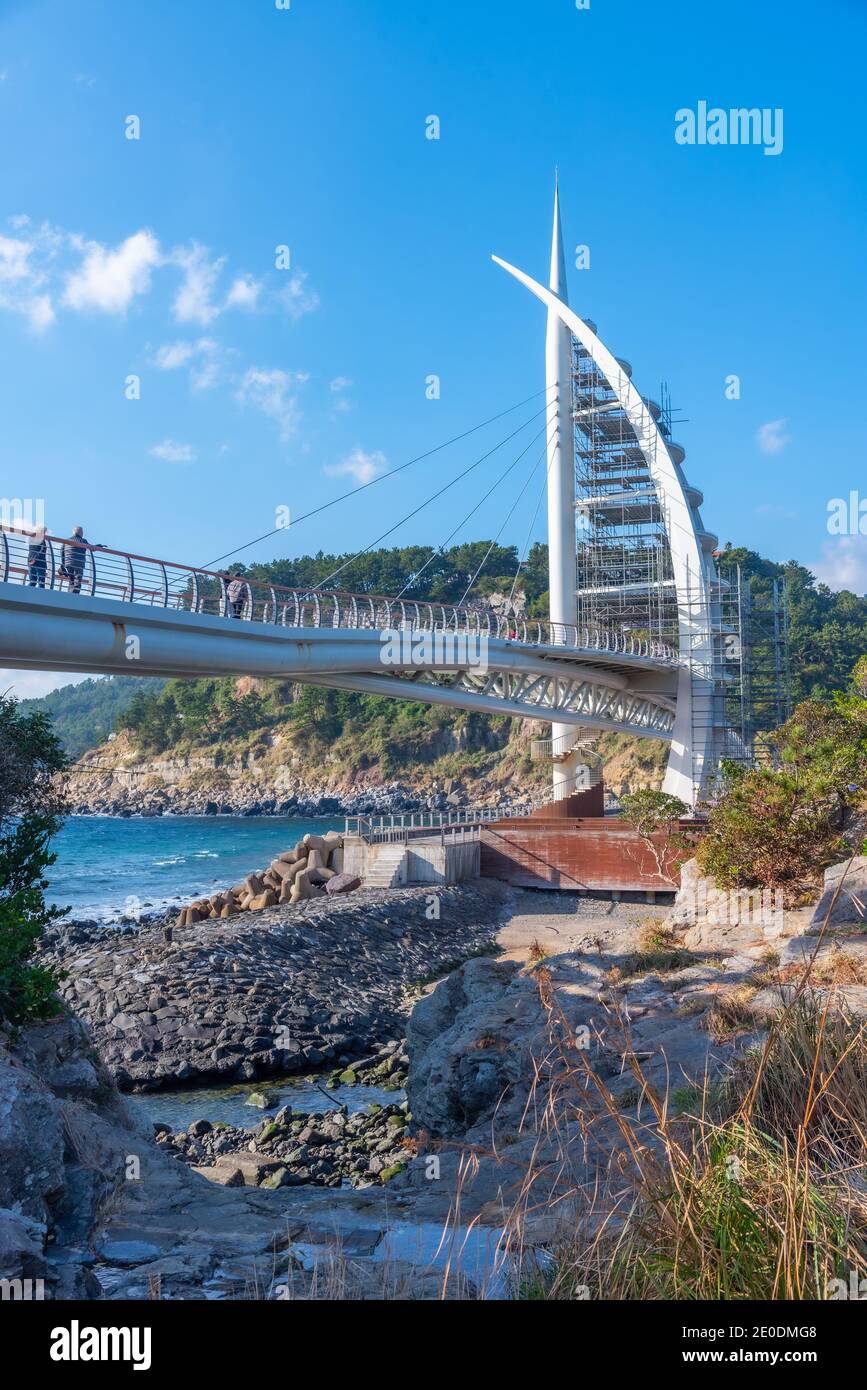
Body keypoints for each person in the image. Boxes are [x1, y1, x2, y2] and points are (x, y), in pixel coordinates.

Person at [60, 526, 92, 594]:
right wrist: (98, 546)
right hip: (78, 563)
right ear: (80, 532)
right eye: (82, 532)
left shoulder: (66, 541)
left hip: (68, 564)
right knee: (77, 581)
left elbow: (61, 552)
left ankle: (69, 595)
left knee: (71, 581)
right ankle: (74, 596)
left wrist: (63, 564)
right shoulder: (82, 540)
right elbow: (92, 548)